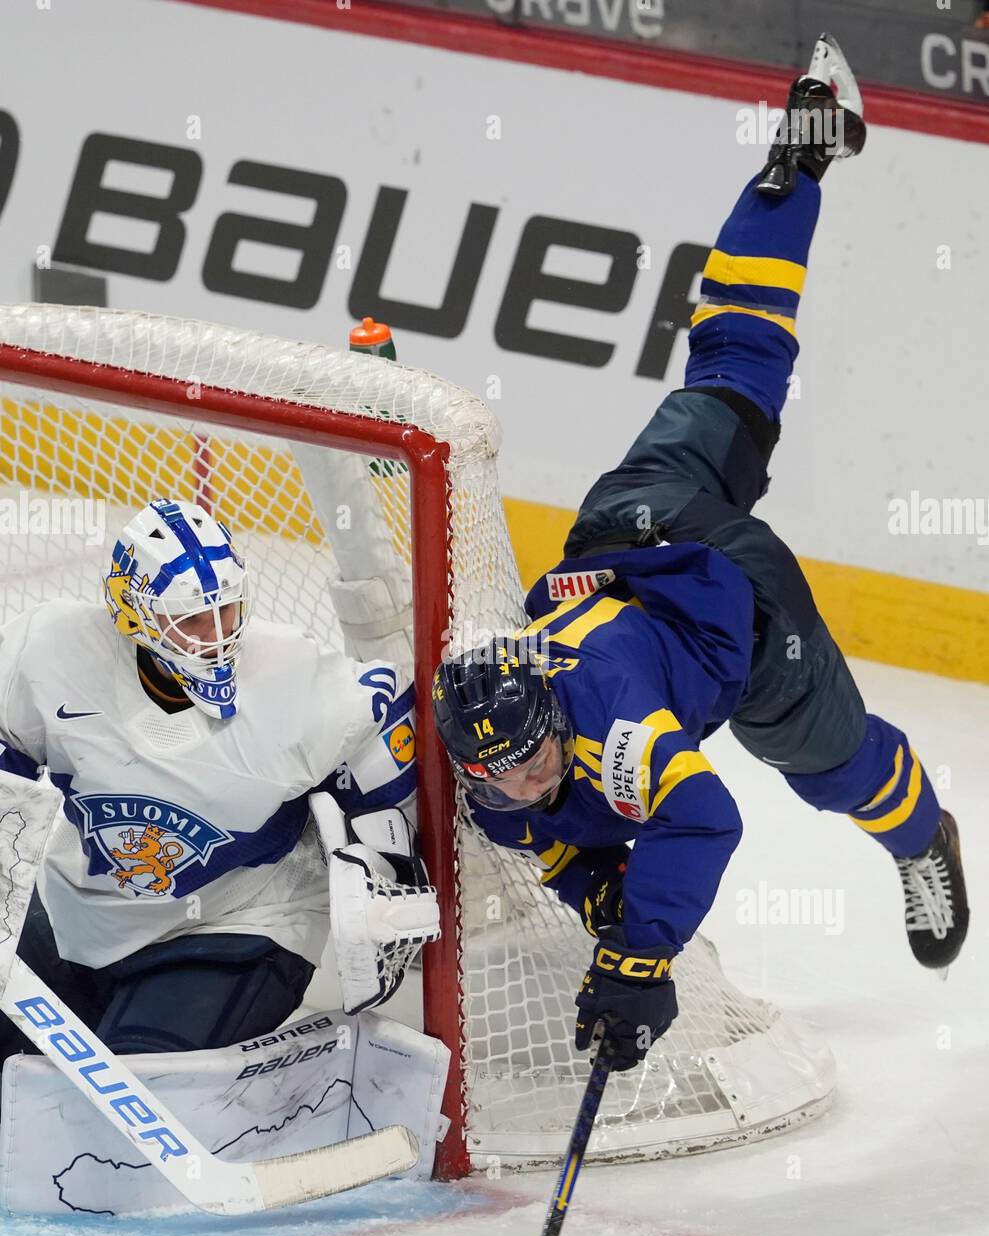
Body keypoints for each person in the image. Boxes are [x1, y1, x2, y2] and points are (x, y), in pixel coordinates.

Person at [431, 35, 970, 1073]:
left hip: (740, 611)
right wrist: (596, 890)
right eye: (498, 775)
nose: (521, 780)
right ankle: (796, 163)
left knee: (822, 765)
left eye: (533, 757)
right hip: (632, 522)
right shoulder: (488, 748)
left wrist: (638, 954)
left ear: (558, 717)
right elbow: (536, 829)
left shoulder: (619, 732)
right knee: (730, 356)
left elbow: (704, 817)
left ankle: (921, 838)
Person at [0, 496, 421, 1072]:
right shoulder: (50, 651)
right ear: (134, 614)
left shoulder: (297, 681)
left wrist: (382, 876)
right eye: (193, 618)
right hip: (84, 920)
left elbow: (390, 724)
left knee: (141, 1078)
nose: (217, 636)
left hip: (237, 927)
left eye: (227, 610)